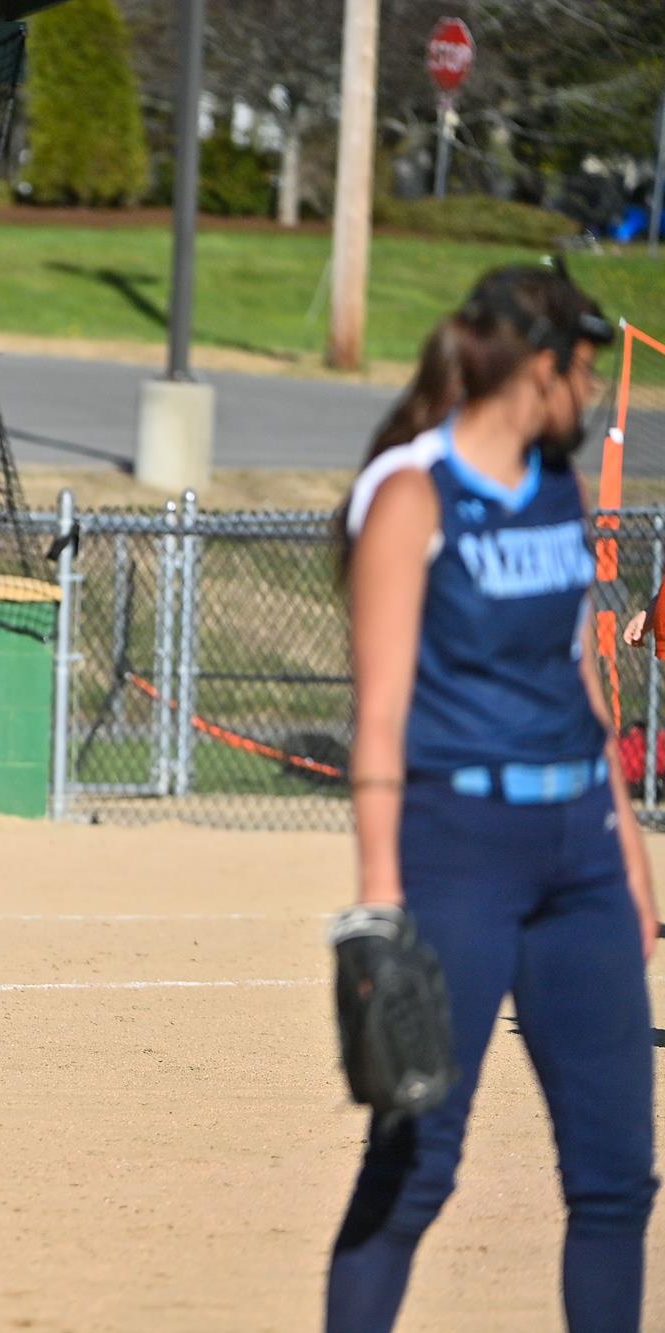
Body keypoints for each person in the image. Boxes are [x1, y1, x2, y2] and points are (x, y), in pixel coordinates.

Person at [328, 263, 657, 1331]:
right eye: (585, 373)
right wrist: (380, 904)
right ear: (538, 369)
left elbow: (574, 676)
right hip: (457, 843)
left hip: (578, 846)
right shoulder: (411, 489)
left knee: (614, 1177)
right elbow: (375, 716)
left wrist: (628, 851)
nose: (597, 397)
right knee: (415, 1167)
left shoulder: (555, 488)